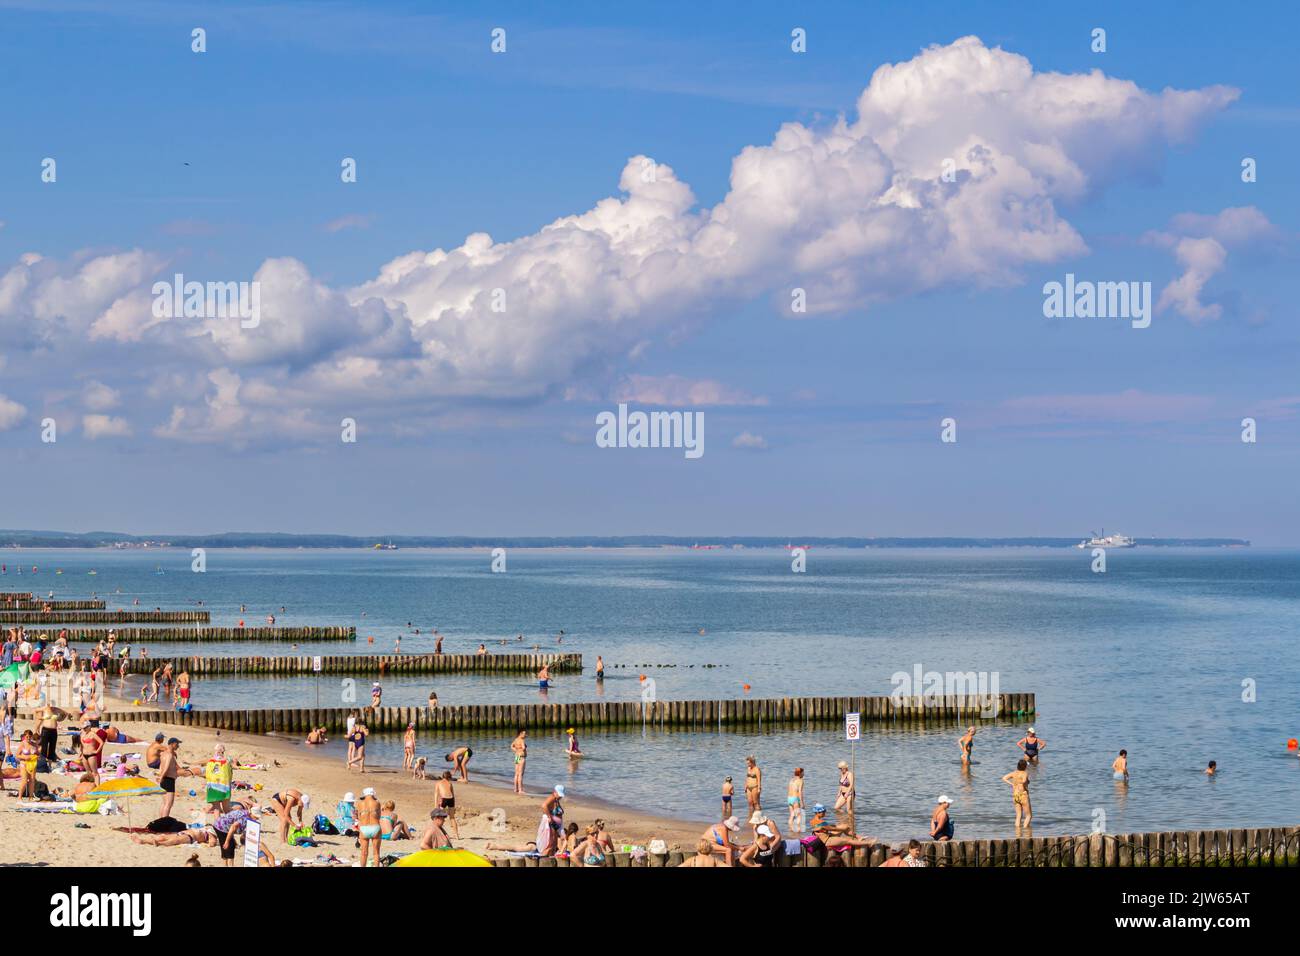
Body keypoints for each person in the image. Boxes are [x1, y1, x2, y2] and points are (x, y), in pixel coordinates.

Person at [213, 799, 257, 867]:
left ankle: (225, 865)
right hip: (222, 828)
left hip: (218, 824)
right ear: (253, 814)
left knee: (225, 847)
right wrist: (227, 841)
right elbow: (233, 827)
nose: (257, 819)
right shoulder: (244, 819)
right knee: (230, 848)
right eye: (256, 817)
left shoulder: (246, 812)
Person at [1002, 758, 1032, 829]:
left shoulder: (1013, 773)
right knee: (1029, 816)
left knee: (1018, 816)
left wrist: (1012, 784)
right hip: (1023, 795)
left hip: (1015, 795)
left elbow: (1004, 778)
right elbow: (1024, 781)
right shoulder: (1025, 773)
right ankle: (1026, 831)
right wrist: (1024, 784)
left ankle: (1017, 832)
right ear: (1025, 766)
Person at [356, 787, 382, 867]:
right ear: (373, 794)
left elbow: (359, 818)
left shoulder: (360, 803)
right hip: (375, 827)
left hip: (364, 828)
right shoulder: (377, 803)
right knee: (376, 853)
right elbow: (378, 817)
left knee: (364, 853)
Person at [537, 784, 565, 857]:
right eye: (559, 794)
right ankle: (544, 860)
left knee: (554, 844)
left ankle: (550, 859)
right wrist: (549, 817)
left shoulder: (556, 799)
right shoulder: (552, 798)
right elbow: (544, 805)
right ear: (555, 792)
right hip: (551, 824)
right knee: (550, 844)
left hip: (555, 824)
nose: (560, 797)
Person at [204, 743, 233, 813]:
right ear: (223, 751)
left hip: (213, 787)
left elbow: (207, 775)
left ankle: (218, 823)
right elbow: (230, 774)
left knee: (216, 808)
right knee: (226, 808)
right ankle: (227, 822)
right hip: (224, 787)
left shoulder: (211, 761)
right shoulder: (227, 760)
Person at [157, 737, 181, 818]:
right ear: (172, 744)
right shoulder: (170, 755)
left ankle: (160, 821)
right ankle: (164, 823)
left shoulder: (163, 754)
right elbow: (166, 768)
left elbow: (160, 767)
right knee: (169, 804)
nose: (178, 746)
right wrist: (161, 777)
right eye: (177, 744)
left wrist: (160, 776)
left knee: (164, 803)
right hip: (168, 780)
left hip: (164, 780)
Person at [132, 827, 221, 849]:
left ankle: (159, 844)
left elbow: (212, 844)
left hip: (191, 837)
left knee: (174, 841)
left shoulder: (213, 834)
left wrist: (210, 840)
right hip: (183, 832)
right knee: (163, 837)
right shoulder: (210, 828)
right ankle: (142, 840)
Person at [434, 771, 460, 838]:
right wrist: (453, 806)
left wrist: (435, 805)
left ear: (442, 776)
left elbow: (436, 794)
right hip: (451, 799)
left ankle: (439, 834)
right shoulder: (450, 783)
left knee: (440, 817)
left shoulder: (438, 783)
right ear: (449, 777)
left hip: (444, 799)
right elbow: (453, 795)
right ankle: (456, 835)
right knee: (452, 817)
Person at [16, 730, 39, 799]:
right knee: (24, 780)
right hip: (24, 764)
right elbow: (17, 755)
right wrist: (25, 757)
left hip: (32, 764)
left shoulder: (34, 744)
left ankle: (31, 797)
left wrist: (37, 756)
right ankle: (19, 797)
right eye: (27, 737)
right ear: (24, 737)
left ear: (32, 737)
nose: (28, 738)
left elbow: (37, 753)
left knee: (32, 780)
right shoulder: (22, 744)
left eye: (30, 737)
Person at [787, 767, 805, 833]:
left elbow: (788, 789)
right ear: (800, 773)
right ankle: (798, 830)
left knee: (792, 815)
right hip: (795, 798)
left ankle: (791, 829)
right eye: (803, 772)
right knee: (798, 815)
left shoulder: (791, 780)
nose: (804, 774)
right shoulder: (801, 781)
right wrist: (802, 803)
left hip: (789, 798)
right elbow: (800, 792)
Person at [511, 729, 527, 793]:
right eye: (524, 733)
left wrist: (516, 749)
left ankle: (515, 789)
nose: (525, 735)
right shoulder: (522, 740)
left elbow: (511, 746)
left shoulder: (516, 739)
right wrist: (524, 747)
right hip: (521, 757)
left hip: (517, 757)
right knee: (520, 774)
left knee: (516, 773)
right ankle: (520, 790)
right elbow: (523, 747)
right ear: (520, 733)